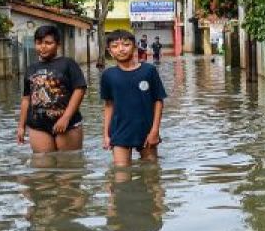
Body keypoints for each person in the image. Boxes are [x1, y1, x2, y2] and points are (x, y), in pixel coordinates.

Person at [101, 29, 167, 166]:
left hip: (146, 130)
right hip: (119, 132)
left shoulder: (149, 71)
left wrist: (155, 130)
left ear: (135, 47)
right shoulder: (108, 75)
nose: (121, 49)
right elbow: (109, 105)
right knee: (120, 174)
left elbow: (158, 101)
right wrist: (106, 135)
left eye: (126, 44)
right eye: (115, 46)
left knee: (151, 174)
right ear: (109, 51)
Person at [17, 24, 87, 152]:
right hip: (38, 126)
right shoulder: (31, 68)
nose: (42, 47)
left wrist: (66, 117)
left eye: (48, 43)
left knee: (69, 166)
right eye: (39, 43)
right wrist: (21, 126)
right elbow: (26, 99)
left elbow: (80, 90)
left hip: (68, 124)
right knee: (42, 167)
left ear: (58, 44)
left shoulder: (68, 64)